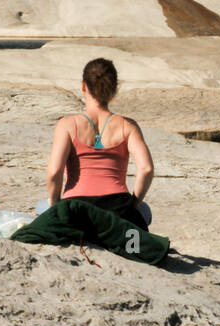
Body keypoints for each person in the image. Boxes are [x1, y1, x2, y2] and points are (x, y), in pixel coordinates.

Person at [43, 58, 154, 232]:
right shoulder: (128, 125)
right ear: (115, 89)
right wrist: (133, 203)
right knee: (145, 211)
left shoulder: (67, 124)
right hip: (118, 208)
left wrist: (56, 206)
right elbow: (146, 169)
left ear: (84, 86)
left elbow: (54, 173)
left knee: (41, 206)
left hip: (76, 208)